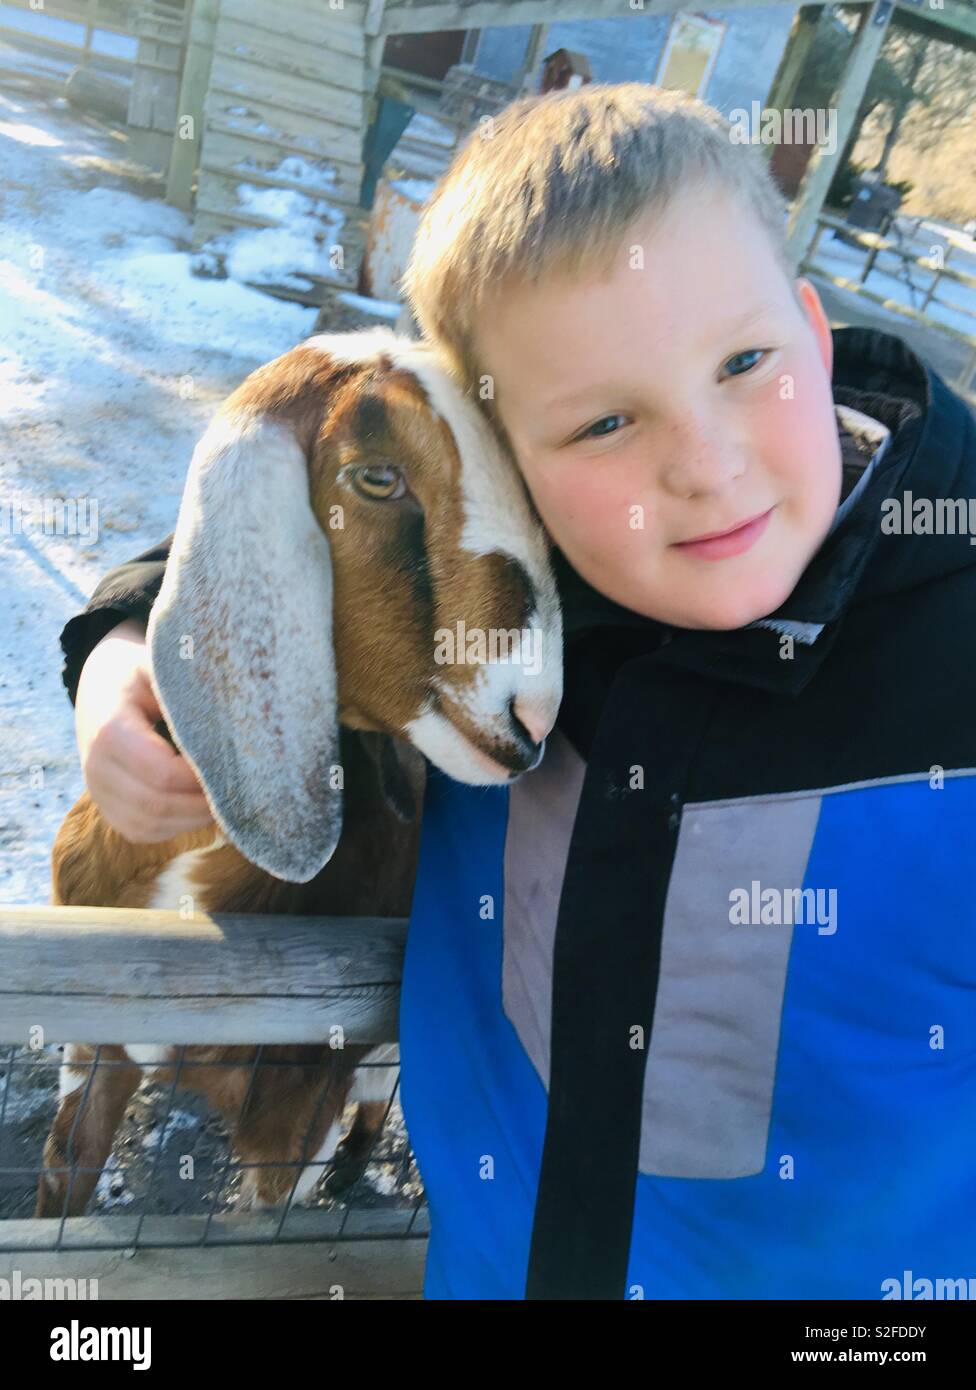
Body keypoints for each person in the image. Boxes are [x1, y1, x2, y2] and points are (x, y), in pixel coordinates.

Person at [60, 84, 976, 1300]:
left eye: (745, 361)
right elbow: (330, 518)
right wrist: (124, 638)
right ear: (506, 465)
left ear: (816, 333)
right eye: (603, 423)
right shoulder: (537, 619)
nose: (704, 468)